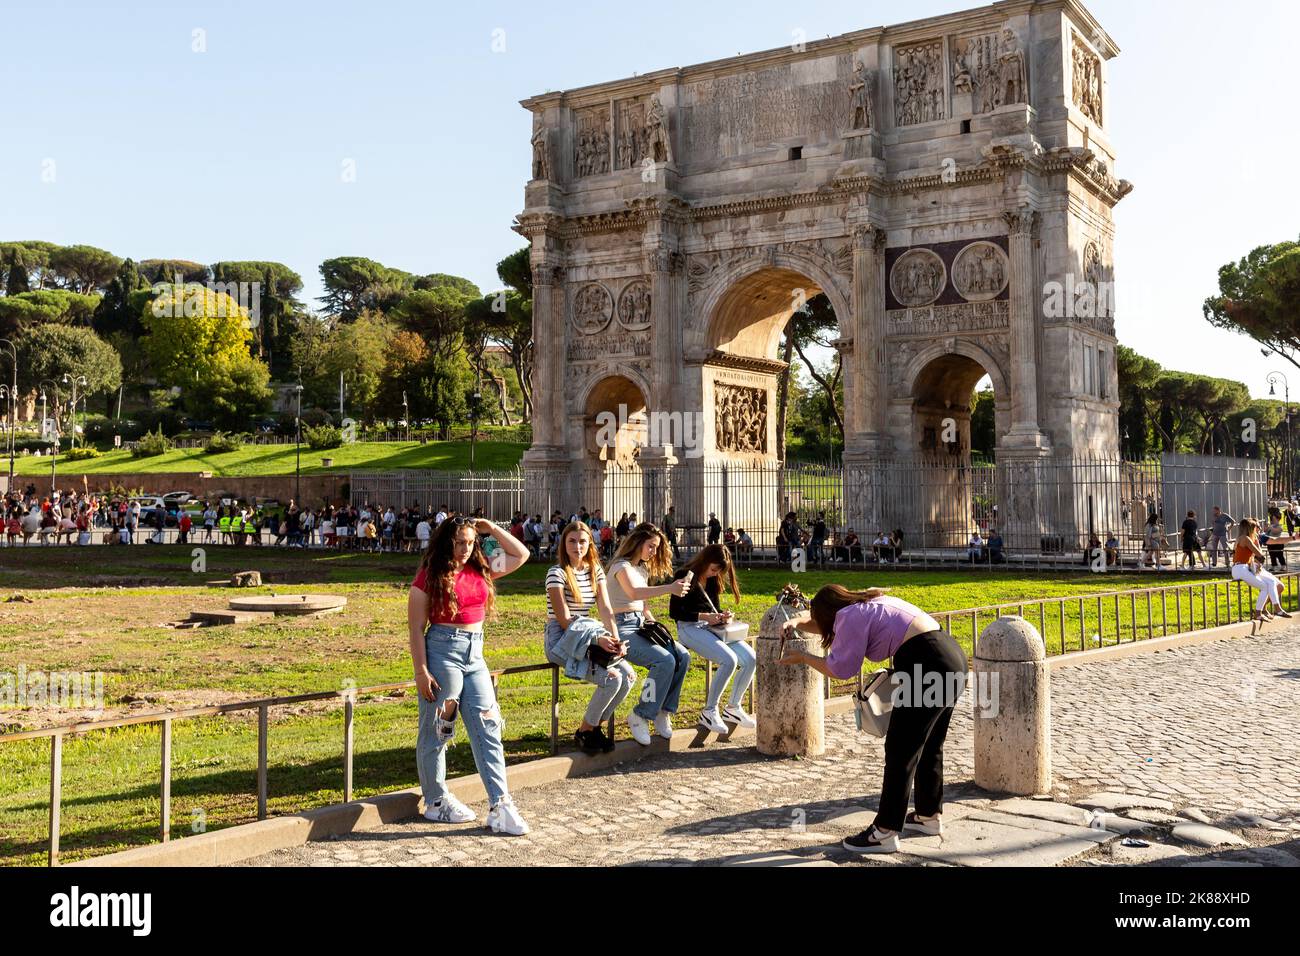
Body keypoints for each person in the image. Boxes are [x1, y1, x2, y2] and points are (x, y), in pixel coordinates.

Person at [778, 586, 967, 854]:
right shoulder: (866, 604)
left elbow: (839, 669)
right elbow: (834, 630)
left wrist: (803, 658)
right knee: (929, 743)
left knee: (901, 748)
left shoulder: (848, 617)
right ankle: (928, 816)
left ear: (829, 615)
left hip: (925, 662)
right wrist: (796, 621)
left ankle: (885, 833)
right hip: (950, 656)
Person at [408, 514, 532, 834]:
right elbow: (415, 629)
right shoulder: (430, 575)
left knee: (488, 726)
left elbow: (520, 555)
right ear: (446, 542)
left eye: (470, 542)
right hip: (441, 652)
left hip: (475, 654)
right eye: (459, 542)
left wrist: (491, 530)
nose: (465, 548)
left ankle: (500, 804)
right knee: (439, 729)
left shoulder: (482, 566)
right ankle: (435, 800)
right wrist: (421, 671)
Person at [544, 521, 636, 755]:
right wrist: (597, 639)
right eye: (572, 541)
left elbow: (605, 608)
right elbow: (564, 620)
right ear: (563, 544)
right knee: (613, 678)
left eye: (582, 541)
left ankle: (593, 728)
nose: (577, 546)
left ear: (590, 543)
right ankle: (586, 731)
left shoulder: (595, 570)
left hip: (589, 633)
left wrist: (615, 640)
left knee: (629, 677)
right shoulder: (556, 573)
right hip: (562, 639)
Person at [605, 524, 693, 746]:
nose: (654, 551)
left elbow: (643, 607)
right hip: (622, 627)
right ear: (638, 543)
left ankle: (664, 710)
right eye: (651, 546)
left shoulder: (641, 570)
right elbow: (633, 593)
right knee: (663, 661)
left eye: (656, 547)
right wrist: (669, 588)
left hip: (642, 624)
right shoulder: (620, 566)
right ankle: (641, 715)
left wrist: (657, 627)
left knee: (682, 656)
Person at [668, 543, 755, 735]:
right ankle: (709, 711)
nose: (715, 574)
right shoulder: (684, 575)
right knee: (729, 660)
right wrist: (704, 617)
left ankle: (733, 707)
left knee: (751, 659)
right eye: (714, 569)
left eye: (718, 571)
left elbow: (713, 607)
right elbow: (675, 612)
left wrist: (723, 616)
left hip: (711, 627)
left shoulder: (714, 580)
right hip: (688, 627)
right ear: (705, 561)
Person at [1231, 518, 1292, 624]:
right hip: (1240, 568)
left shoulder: (1243, 538)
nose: (1257, 530)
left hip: (1243, 567)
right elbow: (1259, 554)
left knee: (1270, 582)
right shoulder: (1246, 538)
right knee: (1264, 586)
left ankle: (1273, 609)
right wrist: (1256, 540)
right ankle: (1261, 612)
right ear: (1250, 528)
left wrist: (1255, 540)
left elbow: (1257, 556)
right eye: (1255, 527)